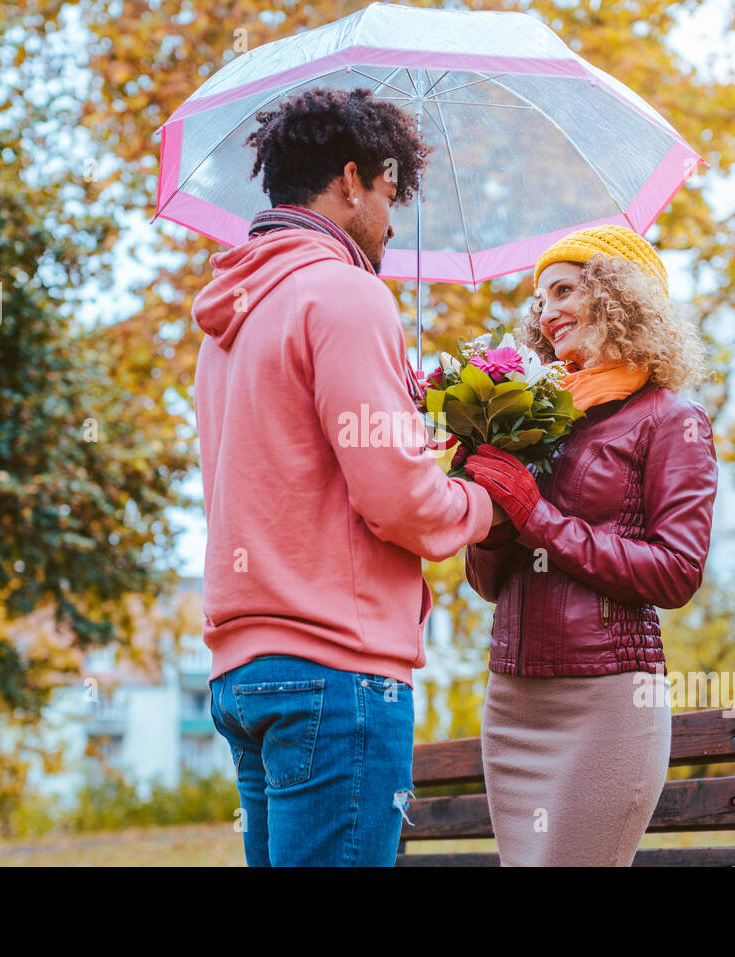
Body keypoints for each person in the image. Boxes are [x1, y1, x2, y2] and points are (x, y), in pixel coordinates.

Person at [191, 87, 504, 867]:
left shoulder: (231, 315)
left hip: (246, 671)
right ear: (354, 178)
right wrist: (487, 500)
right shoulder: (346, 293)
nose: (393, 222)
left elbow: (299, 475)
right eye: (393, 193)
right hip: (337, 671)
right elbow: (400, 503)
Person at [462, 224, 719, 866]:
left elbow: (676, 572)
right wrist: (490, 505)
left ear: (619, 298)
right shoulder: (536, 419)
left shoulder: (671, 419)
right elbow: (488, 582)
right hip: (513, 701)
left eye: (564, 290)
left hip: (607, 697)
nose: (546, 313)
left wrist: (537, 517)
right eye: (539, 301)